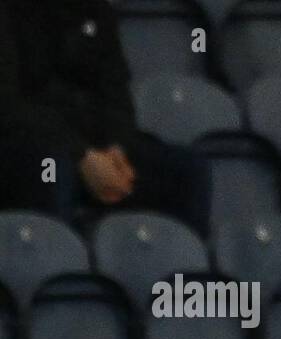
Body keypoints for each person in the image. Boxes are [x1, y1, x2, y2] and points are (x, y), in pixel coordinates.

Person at [0, 0, 211, 234]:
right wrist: (82, 155)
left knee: (186, 171)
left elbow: (117, 95)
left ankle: (180, 268)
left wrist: (116, 149)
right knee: (53, 170)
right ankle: (60, 264)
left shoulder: (96, 10)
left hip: (98, 147)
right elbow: (10, 108)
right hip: (29, 148)